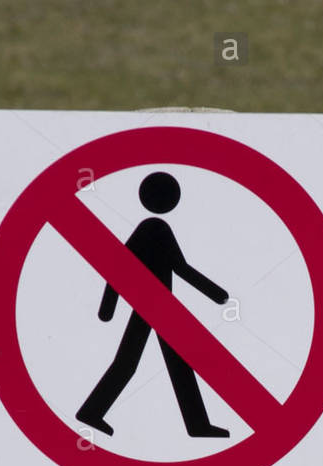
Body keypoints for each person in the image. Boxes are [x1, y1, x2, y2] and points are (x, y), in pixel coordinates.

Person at [76, 171, 230, 438]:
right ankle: (92, 411)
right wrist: (216, 293)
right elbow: (173, 268)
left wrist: (108, 308)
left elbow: (121, 267)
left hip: (157, 307)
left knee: (146, 363)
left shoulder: (153, 229)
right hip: (154, 307)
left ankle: (196, 425)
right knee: (136, 363)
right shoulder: (155, 229)